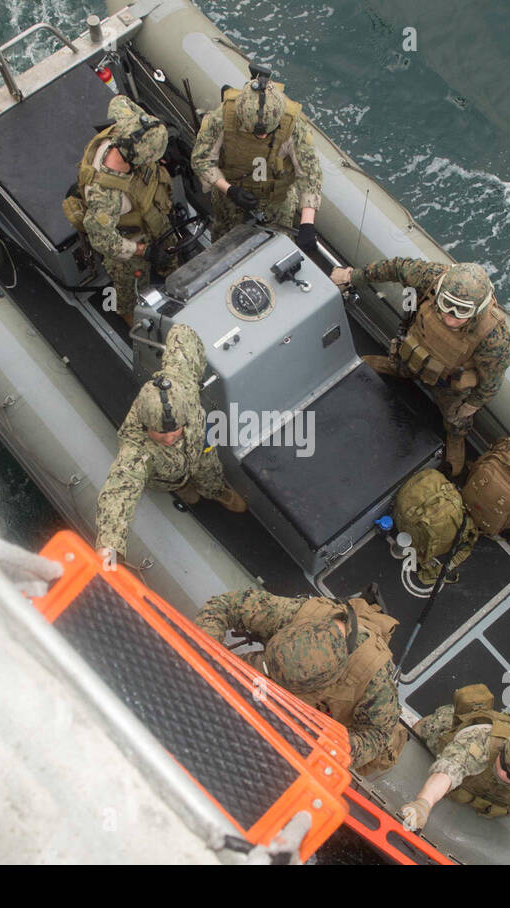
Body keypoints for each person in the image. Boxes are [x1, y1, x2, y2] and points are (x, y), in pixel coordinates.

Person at [194, 587, 407, 773]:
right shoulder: (294, 613)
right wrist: (207, 652)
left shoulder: (375, 680)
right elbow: (226, 604)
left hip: (318, 717)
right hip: (266, 672)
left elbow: (377, 735)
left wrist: (329, 749)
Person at [331, 258, 510, 476]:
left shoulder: (493, 335)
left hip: (447, 382)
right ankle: (395, 367)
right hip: (413, 353)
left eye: (461, 312)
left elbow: (492, 379)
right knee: (400, 362)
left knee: (455, 418)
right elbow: (396, 268)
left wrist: (471, 405)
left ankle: (455, 436)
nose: (450, 318)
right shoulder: (433, 276)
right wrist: (352, 276)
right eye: (446, 305)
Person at [95, 324, 245, 561]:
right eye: (160, 433)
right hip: (167, 474)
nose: (170, 437)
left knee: (211, 475)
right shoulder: (136, 450)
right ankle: (183, 488)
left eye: (176, 429)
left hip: (201, 452)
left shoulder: (181, 385)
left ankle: (216, 492)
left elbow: (183, 334)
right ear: (145, 426)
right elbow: (119, 493)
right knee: (181, 486)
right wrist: (110, 544)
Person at [399, 684, 510, 830]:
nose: (503, 774)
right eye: (504, 765)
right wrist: (424, 804)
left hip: (487, 796)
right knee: (434, 728)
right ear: (504, 747)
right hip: (453, 741)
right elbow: (448, 770)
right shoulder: (481, 739)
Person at [191, 69, 322, 253]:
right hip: (230, 197)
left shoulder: (293, 125)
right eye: (255, 132)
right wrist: (229, 190)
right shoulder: (222, 118)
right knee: (222, 247)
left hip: (276, 202)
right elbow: (201, 159)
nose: (261, 137)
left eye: (267, 132)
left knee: (276, 250)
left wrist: (307, 222)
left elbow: (310, 173)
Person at [71, 95, 174, 328]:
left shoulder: (128, 128)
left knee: (171, 255)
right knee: (130, 293)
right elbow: (101, 239)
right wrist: (142, 251)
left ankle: (171, 276)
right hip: (127, 239)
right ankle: (133, 324)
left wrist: (148, 123)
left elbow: (120, 100)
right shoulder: (105, 193)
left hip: (152, 217)